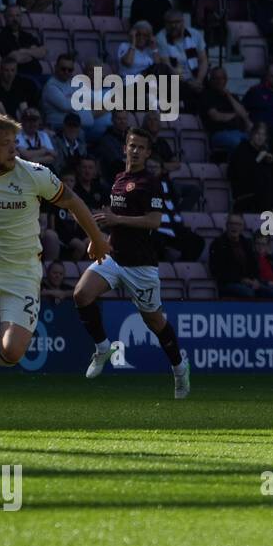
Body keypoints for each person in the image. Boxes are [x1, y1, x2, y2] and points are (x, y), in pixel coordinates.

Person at [0, 111, 110, 429]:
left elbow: (73, 202)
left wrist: (96, 239)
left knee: (12, 352)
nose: (14, 149)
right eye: (6, 144)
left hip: (23, 271)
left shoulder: (33, 174)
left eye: (15, 142)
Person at [72, 126, 190, 396]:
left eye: (141, 147)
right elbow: (112, 216)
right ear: (124, 148)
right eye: (131, 145)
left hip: (141, 266)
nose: (135, 150)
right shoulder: (117, 179)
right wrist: (98, 239)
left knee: (154, 322)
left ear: (148, 153)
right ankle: (103, 348)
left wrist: (118, 220)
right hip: (114, 256)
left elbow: (154, 221)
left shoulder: (151, 182)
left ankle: (179, 368)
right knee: (81, 294)